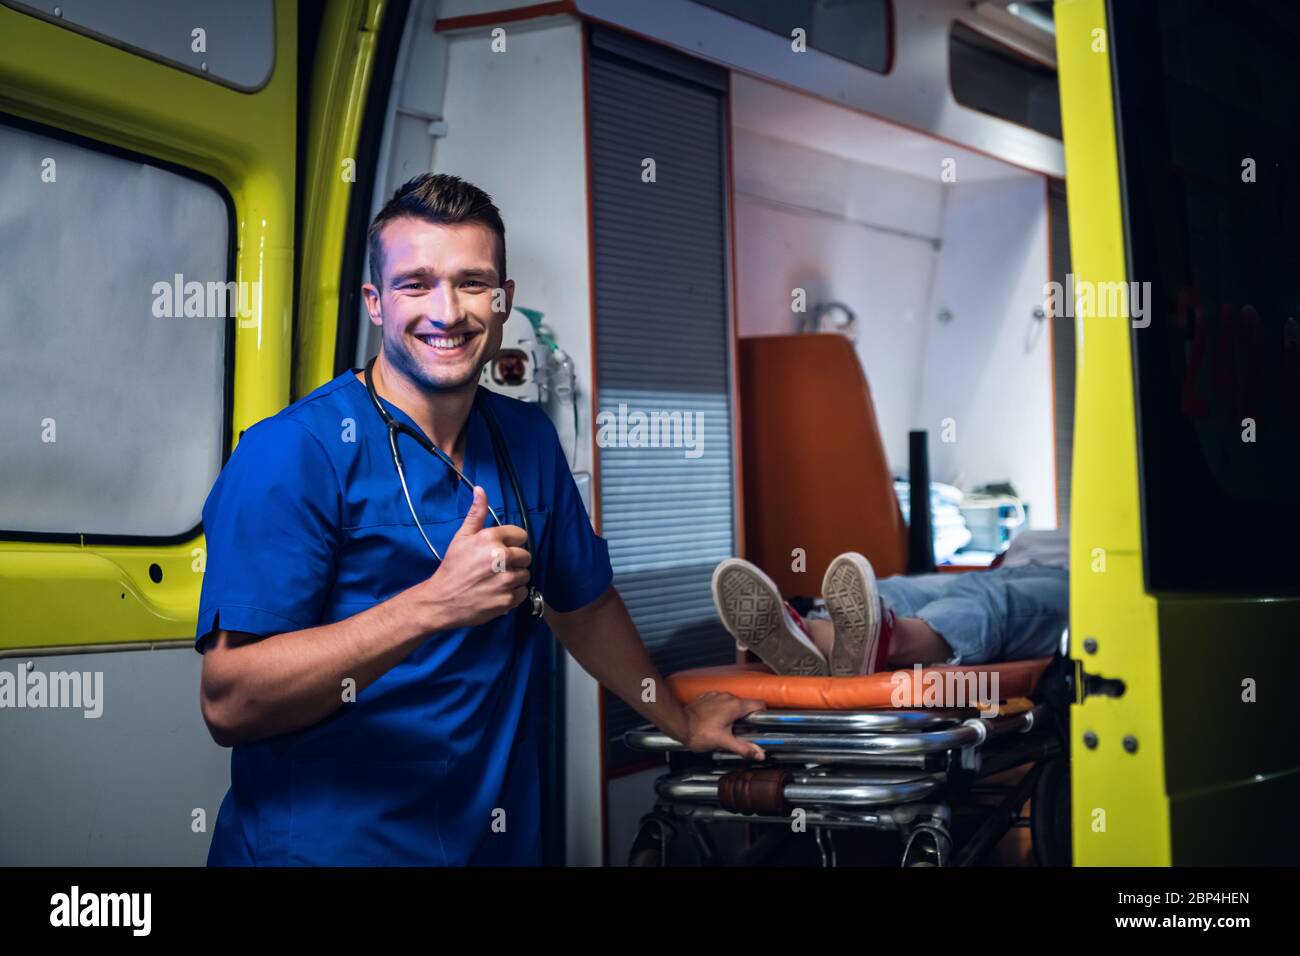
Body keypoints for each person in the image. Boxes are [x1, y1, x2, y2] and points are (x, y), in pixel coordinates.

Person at [195, 173, 768, 866]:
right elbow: (229, 703)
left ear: (503, 301)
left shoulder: (526, 440)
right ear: (375, 303)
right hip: (329, 850)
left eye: (472, 283)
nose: (448, 311)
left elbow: (583, 608)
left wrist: (679, 718)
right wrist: (432, 605)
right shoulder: (293, 454)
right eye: (415, 284)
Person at [711, 528, 1069, 677]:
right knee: (896, 591)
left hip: (1083, 579)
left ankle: (880, 640)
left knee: (987, 600)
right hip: (1008, 565)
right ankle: (815, 632)